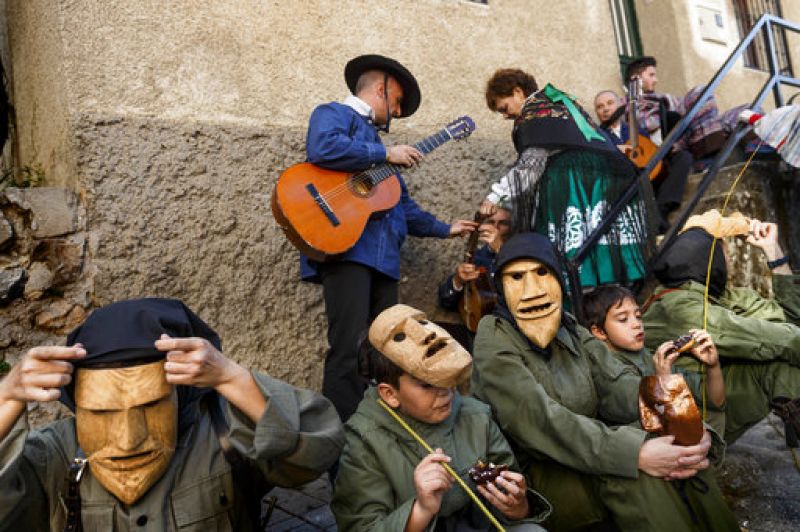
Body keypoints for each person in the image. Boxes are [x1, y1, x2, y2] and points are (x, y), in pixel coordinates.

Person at [471, 232, 738, 531]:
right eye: (516, 277)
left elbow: (618, 385)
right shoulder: (493, 339)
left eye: (542, 273)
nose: (532, 290)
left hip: (591, 448)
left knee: (680, 450)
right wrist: (635, 453)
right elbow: (542, 422)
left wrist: (681, 420)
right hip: (544, 474)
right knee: (634, 473)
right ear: (500, 286)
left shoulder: (569, 327)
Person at [0, 298, 344, 530]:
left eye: (150, 407)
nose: (128, 440)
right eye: (101, 413)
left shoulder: (223, 434)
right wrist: (7, 396)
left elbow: (318, 450)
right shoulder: (54, 457)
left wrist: (232, 377)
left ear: (182, 395)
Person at [300, 54, 477, 422]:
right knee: (349, 348)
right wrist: (384, 152)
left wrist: (445, 228)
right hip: (349, 251)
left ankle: (378, 428)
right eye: (397, 102)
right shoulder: (334, 114)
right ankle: (342, 433)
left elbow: (402, 207)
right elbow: (323, 146)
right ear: (381, 89)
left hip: (385, 262)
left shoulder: (387, 162)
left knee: (384, 352)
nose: (397, 112)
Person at [330, 304, 551, 531]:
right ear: (390, 394)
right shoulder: (364, 441)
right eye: (427, 384)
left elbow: (512, 499)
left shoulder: (476, 416)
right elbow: (361, 526)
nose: (445, 392)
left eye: (446, 376)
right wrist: (421, 510)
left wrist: (518, 507)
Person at [479, 68, 655, 294]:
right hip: (603, 181)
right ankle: (615, 293)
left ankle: (588, 296)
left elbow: (530, 166)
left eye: (504, 108)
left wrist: (495, 197)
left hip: (573, 183)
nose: (505, 116)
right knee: (600, 239)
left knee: (579, 251)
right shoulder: (560, 103)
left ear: (518, 92)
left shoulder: (534, 115)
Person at [642, 212, 800, 445]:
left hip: (717, 397)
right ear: (709, 258)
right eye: (724, 252)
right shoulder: (679, 307)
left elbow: (792, 318)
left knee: (785, 366)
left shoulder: (721, 295)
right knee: (784, 361)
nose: (730, 259)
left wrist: (774, 253)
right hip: (692, 423)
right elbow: (781, 339)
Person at [582, 284, 726, 435]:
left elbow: (715, 401)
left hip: (669, 426)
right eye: (623, 319)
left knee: (713, 414)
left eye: (638, 316)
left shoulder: (643, 355)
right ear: (599, 332)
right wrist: (664, 380)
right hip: (636, 441)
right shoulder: (606, 369)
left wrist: (713, 366)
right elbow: (667, 418)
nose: (636, 324)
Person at [624, 56, 694, 224]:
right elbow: (642, 124)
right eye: (651, 75)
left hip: (663, 156)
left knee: (684, 157)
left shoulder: (662, 101)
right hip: (641, 160)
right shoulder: (627, 104)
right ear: (636, 78)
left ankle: (662, 209)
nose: (656, 80)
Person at [438, 206, 512, 312]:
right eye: (491, 222)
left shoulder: (520, 254)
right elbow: (446, 301)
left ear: (511, 228)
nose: (496, 227)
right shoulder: (478, 256)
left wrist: (500, 251)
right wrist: (458, 281)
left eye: (503, 223)